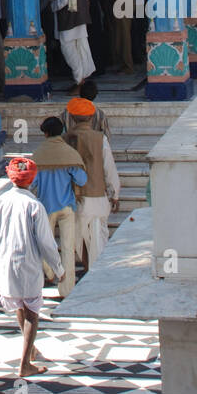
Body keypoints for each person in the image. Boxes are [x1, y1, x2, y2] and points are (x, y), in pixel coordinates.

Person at [0, 157, 64, 379]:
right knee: (32, 312)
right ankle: (25, 364)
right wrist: (59, 269)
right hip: (27, 264)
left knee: (21, 307)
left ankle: (29, 349)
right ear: (32, 179)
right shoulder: (34, 206)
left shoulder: (0, 202)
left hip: (5, 264)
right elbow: (47, 243)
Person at [30, 117, 87, 297]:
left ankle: (49, 272)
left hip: (46, 207)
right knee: (68, 248)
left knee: (44, 245)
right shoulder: (69, 153)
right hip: (67, 206)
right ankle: (67, 288)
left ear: (45, 133)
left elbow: (32, 183)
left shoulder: (38, 154)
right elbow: (82, 179)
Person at [65, 99, 120, 268]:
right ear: (91, 118)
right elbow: (108, 167)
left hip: (74, 199)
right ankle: (96, 275)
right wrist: (115, 193)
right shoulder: (100, 138)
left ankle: (88, 270)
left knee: (81, 240)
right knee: (98, 240)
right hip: (98, 197)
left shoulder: (65, 138)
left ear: (72, 117)